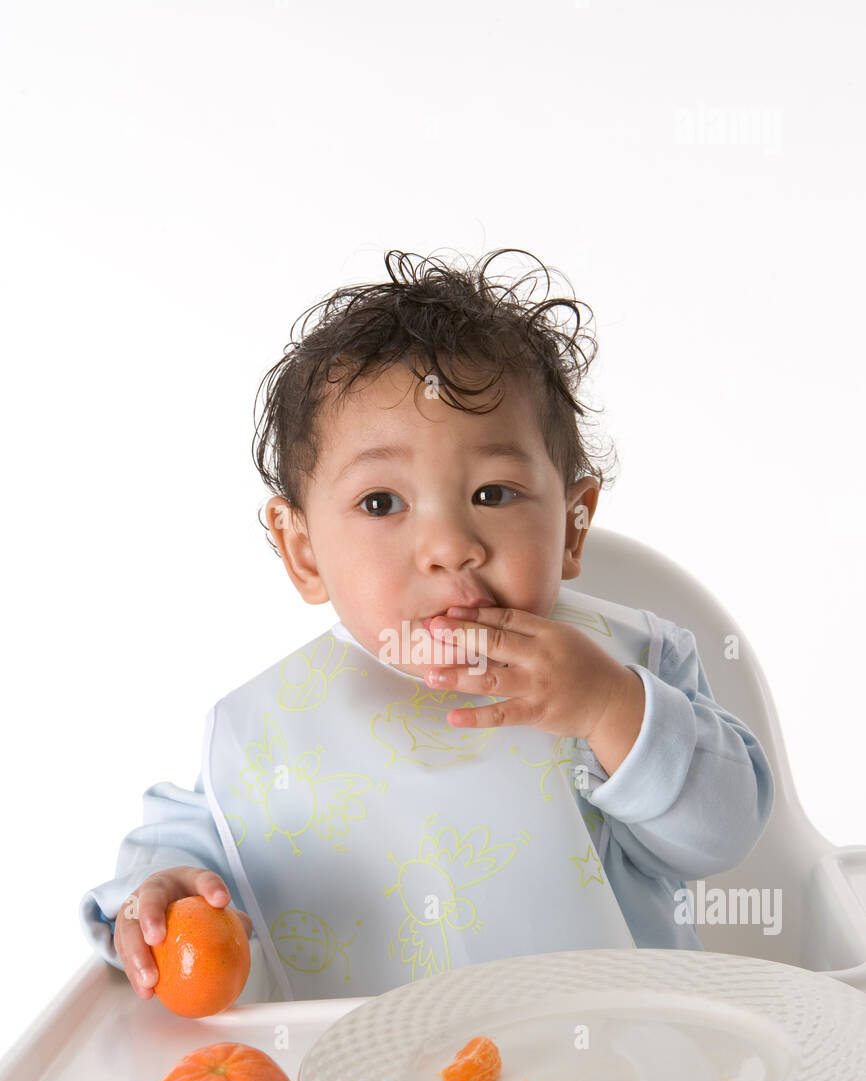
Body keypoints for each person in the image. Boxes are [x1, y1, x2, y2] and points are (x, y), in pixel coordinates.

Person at [79, 248, 775, 1002]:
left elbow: (725, 833)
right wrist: (161, 893)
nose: (449, 547)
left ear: (573, 526)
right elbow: (188, 847)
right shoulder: (270, 727)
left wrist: (611, 707)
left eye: (494, 492)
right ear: (303, 550)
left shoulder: (623, 668)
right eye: (382, 503)